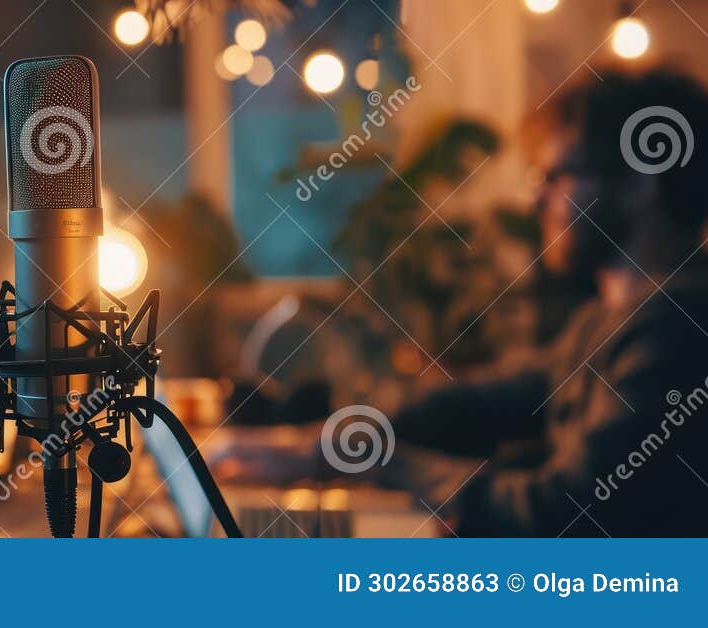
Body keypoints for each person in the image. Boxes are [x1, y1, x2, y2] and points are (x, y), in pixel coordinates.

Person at [218, 66, 708, 536]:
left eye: (557, 176)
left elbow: (561, 510)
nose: (537, 201)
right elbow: (477, 404)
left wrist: (372, 459)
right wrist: (321, 442)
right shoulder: (607, 318)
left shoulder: (678, 329)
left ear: (641, 182)